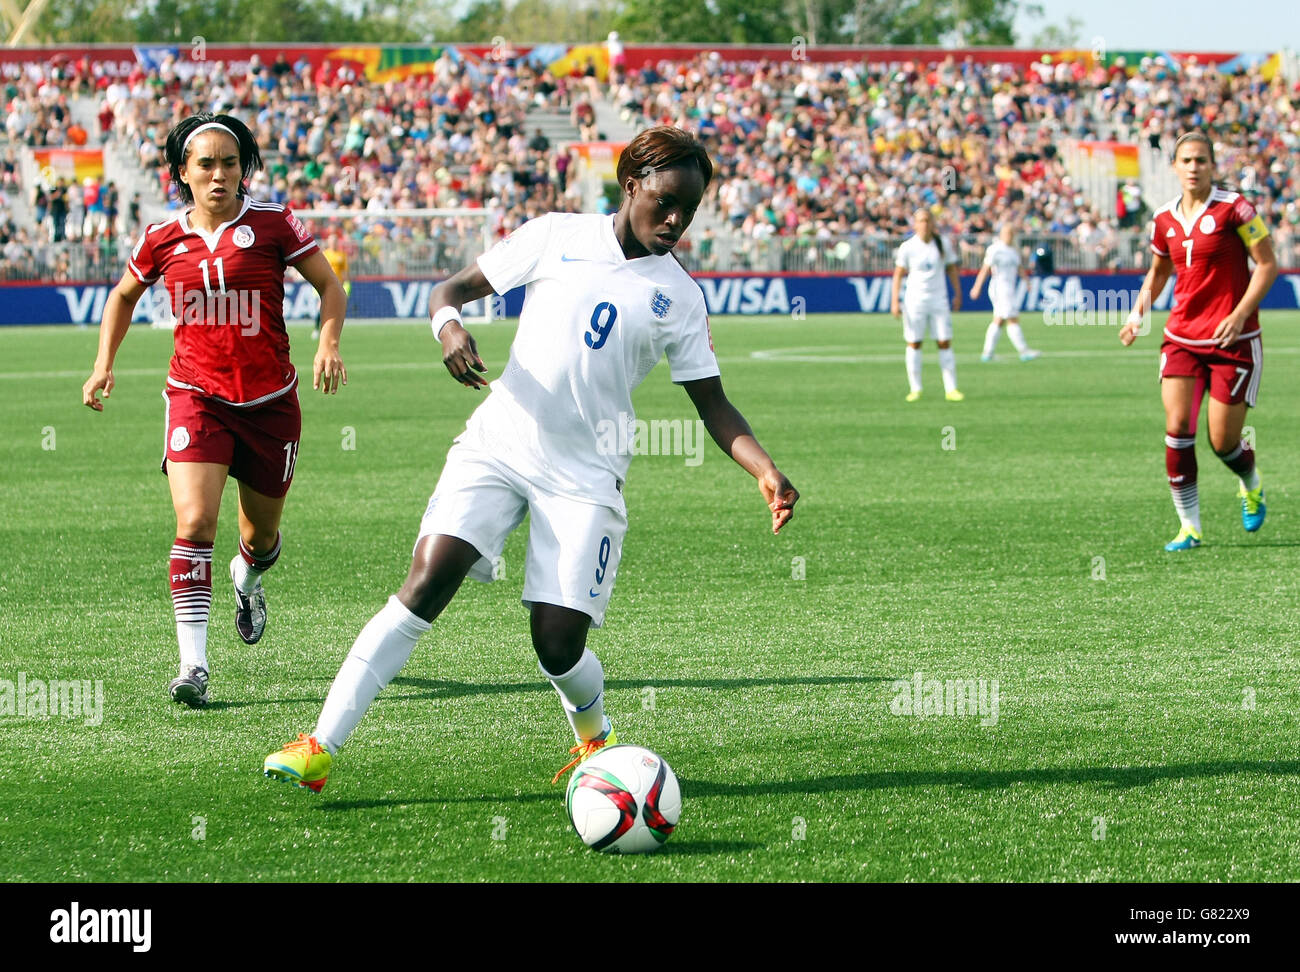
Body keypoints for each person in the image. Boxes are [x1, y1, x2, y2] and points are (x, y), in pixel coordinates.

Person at [263, 125, 799, 793]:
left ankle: (593, 736)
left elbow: (713, 404)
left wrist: (764, 469)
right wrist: (448, 329)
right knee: (427, 580)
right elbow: (446, 292)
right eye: (663, 201)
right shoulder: (555, 236)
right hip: (501, 443)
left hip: (585, 477)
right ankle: (320, 745)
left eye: (687, 210)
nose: (674, 220)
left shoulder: (680, 297)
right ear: (630, 185)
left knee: (557, 644)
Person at [81, 112, 349, 706]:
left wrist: (328, 342)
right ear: (184, 172)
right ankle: (193, 666)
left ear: (243, 169)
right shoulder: (160, 237)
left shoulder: (275, 224)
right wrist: (104, 363)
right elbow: (123, 296)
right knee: (195, 523)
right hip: (196, 397)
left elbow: (330, 285)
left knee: (262, 536)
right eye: (206, 163)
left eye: (230, 162)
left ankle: (247, 579)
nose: (219, 173)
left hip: (271, 405)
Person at [1119, 131, 1277, 551]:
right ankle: (1190, 527)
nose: (1193, 168)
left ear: (1212, 166)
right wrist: (1137, 316)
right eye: (1186, 161)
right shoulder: (1164, 219)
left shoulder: (1237, 209)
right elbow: (1158, 272)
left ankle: (1251, 482)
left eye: (1201, 161)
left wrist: (1239, 314)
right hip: (1182, 338)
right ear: (1174, 166)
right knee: (1177, 429)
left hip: (1234, 340)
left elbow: (1267, 265)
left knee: (1222, 441)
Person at [891, 208, 963, 402]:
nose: (924, 224)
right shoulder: (908, 247)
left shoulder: (943, 244)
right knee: (914, 343)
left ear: (933, 223)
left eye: (927, 221)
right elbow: (898, 274)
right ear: (915, 224)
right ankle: (915, 388)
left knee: (944, 342)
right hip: (915, 301)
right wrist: (894, 301)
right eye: (921, 221)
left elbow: (951, 270)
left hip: (938, 299)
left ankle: (951, 388)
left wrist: (958, 294)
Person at [970, 224, 1039, 362]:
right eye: (1007, 233)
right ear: (1001, 234)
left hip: (1009, 288)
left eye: (1011, 233)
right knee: (1012, 318)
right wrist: (977, 287)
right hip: (1000, 288)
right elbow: (985, 269)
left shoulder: (1013, 250)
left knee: (999, 320)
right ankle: (1024, 351)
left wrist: (1026, 281)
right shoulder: (995, 249)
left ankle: (987, 353)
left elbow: (1019, 268)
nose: (1010, 236)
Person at [312, 231, 349, 340]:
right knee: (320, 307)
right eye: (331, 241)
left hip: (338, 285)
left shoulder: (342, 255)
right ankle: (316, 329)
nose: (333, 243)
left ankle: (333, 331)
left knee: (336, 308)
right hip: (324, 285)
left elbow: (345, 272)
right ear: (328, 242)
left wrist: (344, 284)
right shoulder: (324, 254)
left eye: (335, 241)